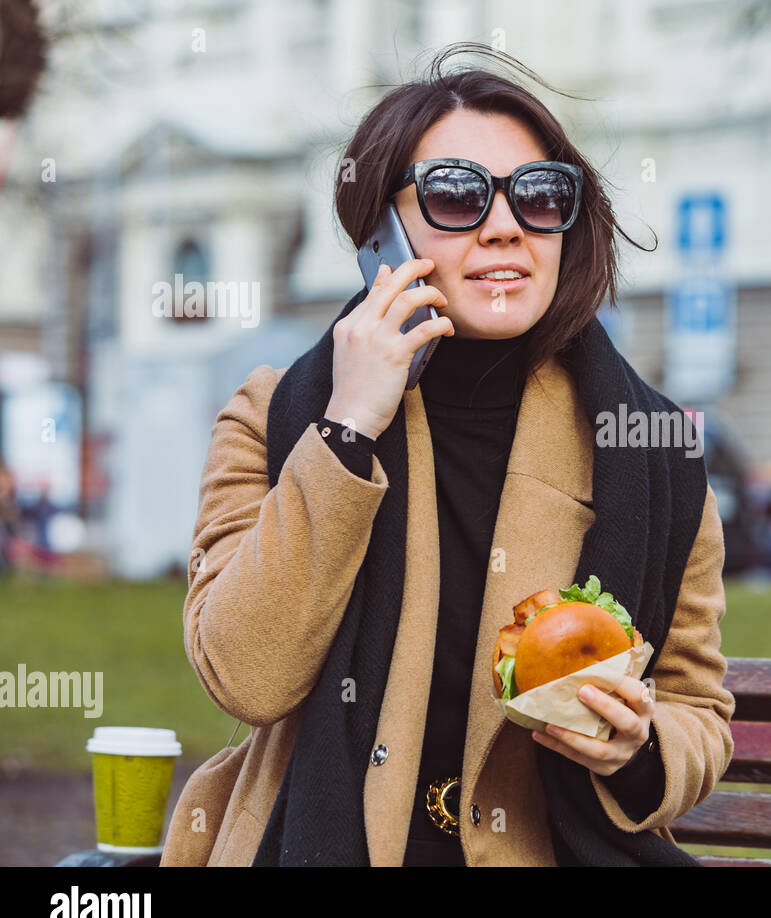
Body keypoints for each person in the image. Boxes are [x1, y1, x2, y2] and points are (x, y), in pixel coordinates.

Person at [161, 43, 734, 867]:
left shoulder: (649, 448)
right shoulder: (274, 413)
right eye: (458, 194)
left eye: (540, 197)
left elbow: (697, 711)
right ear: (382, 233)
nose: (506, 225)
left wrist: (638, 748)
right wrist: (348, 427)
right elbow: (249, 676)